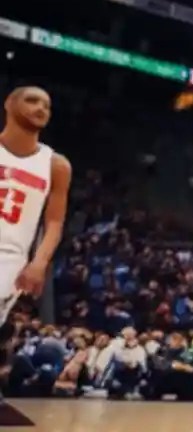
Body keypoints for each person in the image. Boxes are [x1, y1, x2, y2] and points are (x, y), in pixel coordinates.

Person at [0, 86, 71, 414]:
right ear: (9, 105)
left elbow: (54, 223)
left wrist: (39, 262)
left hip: (10, 256)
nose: (41, 108)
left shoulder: (55, 164)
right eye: (32, 100)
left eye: (47, 104)